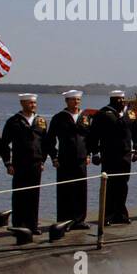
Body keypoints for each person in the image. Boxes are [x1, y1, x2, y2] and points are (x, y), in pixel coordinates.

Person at [88, 90, 137, 225]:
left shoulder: (130, 114)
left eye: (123, 99)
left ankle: (121, 213)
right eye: (120, 100)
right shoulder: (103, 113)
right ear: (113, 100)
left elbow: (136, 134)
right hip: (109, 154)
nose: (123, 102)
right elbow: (94, 135)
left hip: (126, 154)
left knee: (123, 184)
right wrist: (95, 153)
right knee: (109, 185)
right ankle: (108, 215)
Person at [0, 93, 47, 234]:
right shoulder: (13, 121)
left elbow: (45, 143)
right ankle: (18, 224)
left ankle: (32, 225)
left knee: (33, 195)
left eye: (34, 103)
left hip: (36, 163)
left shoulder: (41, 121)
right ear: (22, 104)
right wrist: (8, 163)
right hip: (19, 164)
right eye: (30, 103)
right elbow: (4, 144)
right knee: (20, 195)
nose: (33, 105)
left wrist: (43, 160)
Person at [46, 90, 91, 230]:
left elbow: (90, 138)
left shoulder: (85, 117)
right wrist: (54, 156)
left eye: (78, 100)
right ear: (67, 101)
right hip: (65, 159)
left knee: (80, 190)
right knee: (65, 190)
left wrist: (89, 154)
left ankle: (79, 220)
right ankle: (64, 220)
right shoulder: (59, 118)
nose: (76, 102)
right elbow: (50, 140)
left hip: (81, 160)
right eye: (73, 100)